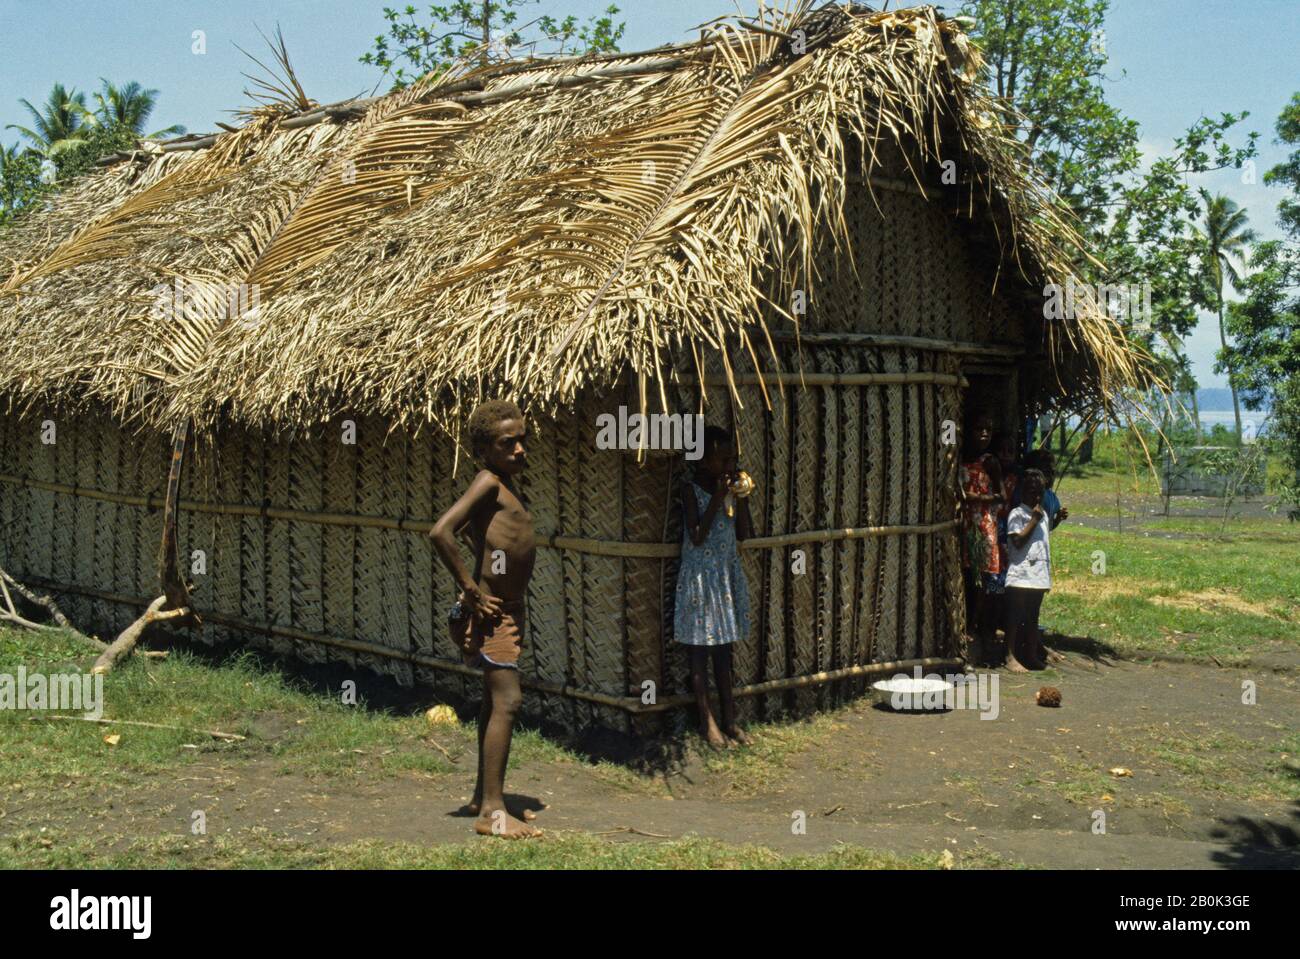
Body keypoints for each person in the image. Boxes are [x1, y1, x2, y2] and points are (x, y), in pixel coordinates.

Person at [430, 399, 540, 838]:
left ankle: (483, 795)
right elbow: (440, 532)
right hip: (492, 613)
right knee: (508, 701)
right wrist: (472, 590)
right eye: (506, 443)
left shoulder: (505, 484)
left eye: (522, 441)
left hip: (508, 611)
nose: (518, 450)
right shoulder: (488, 482)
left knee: (491, 702)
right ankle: (493, 813)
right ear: (484, 450)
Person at [674, 425, 753, 749]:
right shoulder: (691, 489)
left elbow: (745, 534)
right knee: (699, 653)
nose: (728, 466)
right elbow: (696, 535)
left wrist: (742, 498)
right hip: (700, 581)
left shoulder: (731, 492)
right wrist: (718, 497)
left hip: (724, 578)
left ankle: (730, 719)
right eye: (722, 460)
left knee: (724, 653)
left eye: (731, 459)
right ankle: (708, 723)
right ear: (703, 461)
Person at [959, 412, 1003, 664]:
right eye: (979, 429)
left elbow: (1002, 496)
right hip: (964, 525)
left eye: (988, 429)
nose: (984, 434)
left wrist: (974, 499)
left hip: (982, 527)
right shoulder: (960, 458)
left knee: (979, 580)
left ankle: (974, 628)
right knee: (965, 577)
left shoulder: (990, 462)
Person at [1004, 468, 1052, 672]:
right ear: (1022, 493)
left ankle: (1030, 654)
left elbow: (1042, 542)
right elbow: (1017, 541)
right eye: (1031, 492)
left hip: (1039, 574)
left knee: (1033, 615)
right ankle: (1009, 655)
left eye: (1039, 493)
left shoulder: (1044, 515)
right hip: (1021, 574)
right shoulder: (1018, 514)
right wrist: (1033, 520)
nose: (1036, 497)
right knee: (1015, 615)